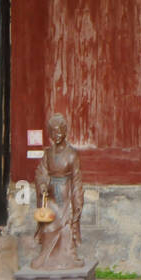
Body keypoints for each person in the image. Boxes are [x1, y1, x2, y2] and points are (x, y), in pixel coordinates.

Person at [32, 112, 84, 269]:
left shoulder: (72, 154)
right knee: (48, 224)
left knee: (66, 226)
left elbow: (76, 179)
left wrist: (77, 201)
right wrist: (42, 185)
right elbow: (41, 172)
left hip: (65, 193)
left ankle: (69, 257)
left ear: (65, 131)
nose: (57, 135)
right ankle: (45, 256)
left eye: (59, 131)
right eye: (53, 132)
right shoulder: (48, 153)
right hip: (51, 194)